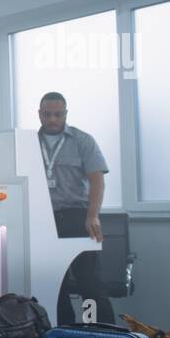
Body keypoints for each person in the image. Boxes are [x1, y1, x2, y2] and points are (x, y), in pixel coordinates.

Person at [37, 91, 114, 325]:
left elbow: (97, 179)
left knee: (88, 282)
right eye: (47, 114)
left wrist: (93, 216)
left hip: (77, 217)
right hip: (42, 220)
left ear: (65, 114)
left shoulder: (82, 140)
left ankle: (100, 331)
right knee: (52, 282)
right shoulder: (27, 142)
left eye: (57, 115)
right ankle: (64, 333)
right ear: (39, 114)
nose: (52, 120)